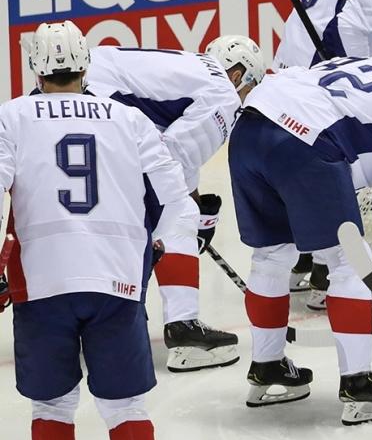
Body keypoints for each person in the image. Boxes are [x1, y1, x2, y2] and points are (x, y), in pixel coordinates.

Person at [0, 22, 193, 440]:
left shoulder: (12, 114)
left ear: (36, 67)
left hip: (43, 280)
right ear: (86, 65)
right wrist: (156, 244)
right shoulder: (128, 118)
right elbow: (176, 197)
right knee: (125, 403)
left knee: (52, 403)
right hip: (117, 279)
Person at [228, 19, 372, 425]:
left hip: (249, 129)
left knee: (271, 256)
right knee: (350, 261)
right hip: (306, 142)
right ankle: (358, 383)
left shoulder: (365, 65)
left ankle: (267, 368)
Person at [83, 40, 263, 372]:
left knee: (94, 215)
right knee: (178, 212)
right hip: (97, 111)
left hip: (64, 92)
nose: (246, 102)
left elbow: (170, 145)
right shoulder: (224, 93)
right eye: (250, 88)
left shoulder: (190, 71)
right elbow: (171, 162)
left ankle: (94, 321)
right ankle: (184, 331)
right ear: (238, 74)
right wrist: (192, 221)